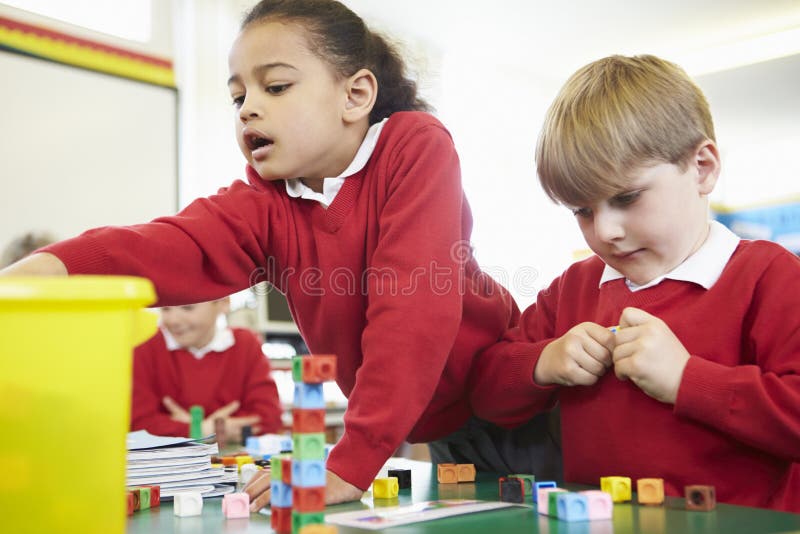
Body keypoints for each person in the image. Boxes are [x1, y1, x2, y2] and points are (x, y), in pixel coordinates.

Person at [0, 0, 546, 508]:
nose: (248, 110)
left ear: (355, 96)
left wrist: (351, 460)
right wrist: (50, 268)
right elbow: (173, 243)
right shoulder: (268, 202)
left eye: (276, 87)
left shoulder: (414, 145)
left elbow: (412, 310)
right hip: (437, 432)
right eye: (238, 97)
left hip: (517, 403)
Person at [468, 54, 800, 512]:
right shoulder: (573, 289)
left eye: (627, 197)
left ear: (702, 167)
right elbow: (486, 392)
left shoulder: (770, 277)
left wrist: (688, 379)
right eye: (582, 211)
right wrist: (543, 362)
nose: (605, 232)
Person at [131, 297, 283, 442]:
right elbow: (136, 423)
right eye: (165, 308)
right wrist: (201, 430)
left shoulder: (246, 344)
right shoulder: (145, 344)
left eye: (187, 307)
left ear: (223, 302)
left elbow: (268, 419)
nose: (173, 320)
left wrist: (183, 428)